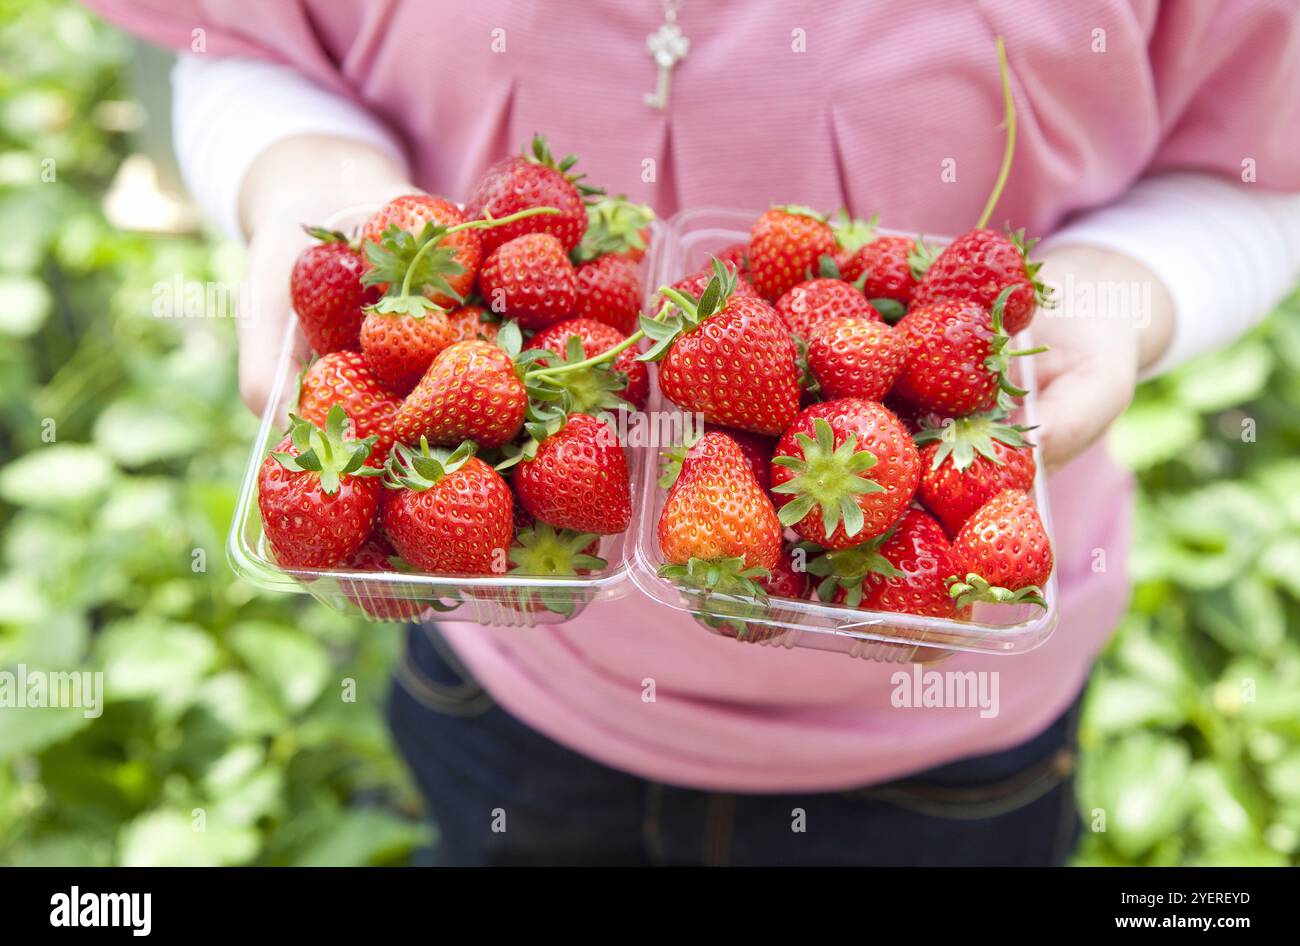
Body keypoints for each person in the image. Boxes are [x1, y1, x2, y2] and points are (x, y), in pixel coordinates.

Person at [85, 0, 1300, 865]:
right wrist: (303, 180)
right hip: (511, 656)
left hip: (947, 722)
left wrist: (1119, 289)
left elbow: (1261, 164)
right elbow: (235, 37)